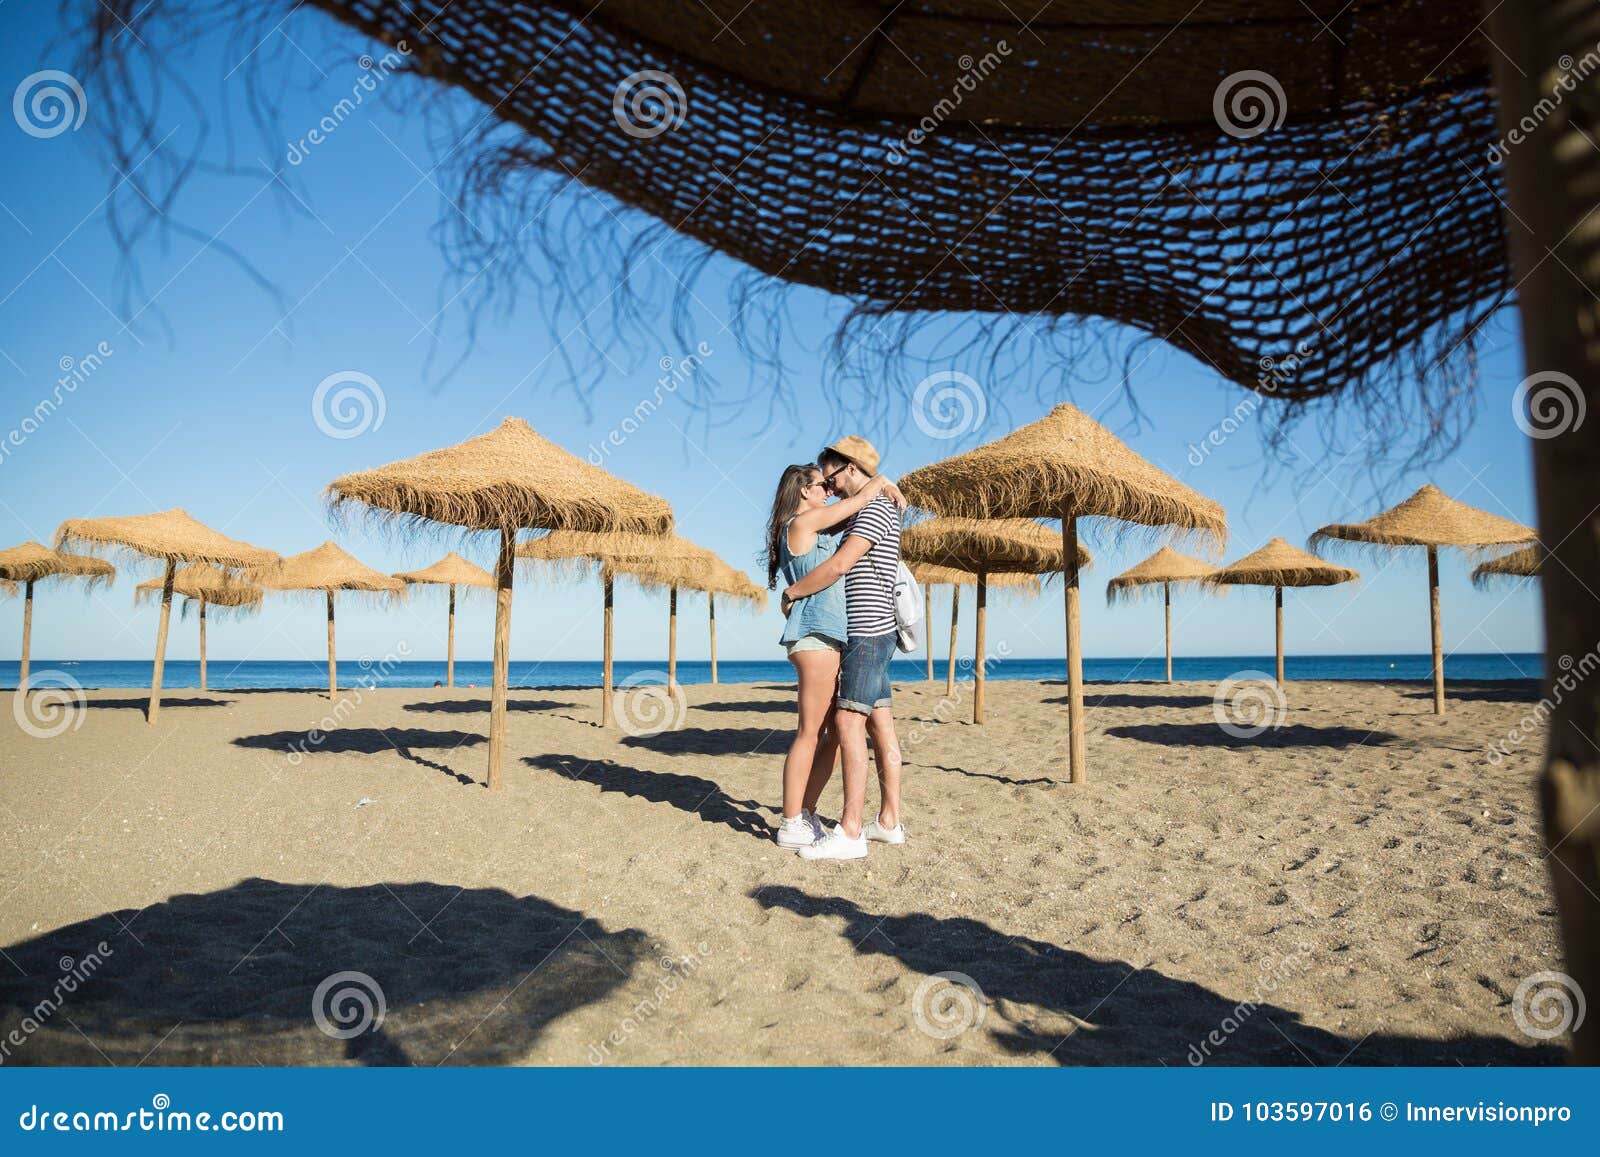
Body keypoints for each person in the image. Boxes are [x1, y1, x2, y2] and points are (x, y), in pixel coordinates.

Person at [765, 461, 904, 850]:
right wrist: (880, 480)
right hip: (815, 635)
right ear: (803, 491)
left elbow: (855, 511)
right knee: (811, 732)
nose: (828, 491)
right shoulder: (802, 522)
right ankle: (792, 820)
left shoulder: (816, 525)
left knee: (830, 734)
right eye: (821, 485)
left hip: (827, 636)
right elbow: (856, 504)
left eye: (830, 484)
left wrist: (876, 487)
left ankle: (805, 812)